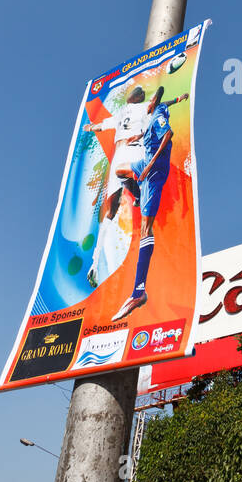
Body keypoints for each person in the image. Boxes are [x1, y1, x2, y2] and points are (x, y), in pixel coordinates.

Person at [110, 90, 189, 321]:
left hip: (153, 172)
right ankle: (136, 195)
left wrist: (148, 167)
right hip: (145, 160)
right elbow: (167, 102)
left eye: (149, 101)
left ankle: (138, 292)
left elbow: (168, 134)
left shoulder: (158, 116)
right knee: (120, 170)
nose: (145, 106)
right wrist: (179, 98)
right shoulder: (160, 108)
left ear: (152, 103)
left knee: (146, 228)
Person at [84, 86, 151, 288]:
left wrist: (173, 99)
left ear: (139, 97)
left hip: (134, 149)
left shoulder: (143, 107)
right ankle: (94, 264)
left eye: (136, 92)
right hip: (119, 153)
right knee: (110, 210)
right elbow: (105, 124)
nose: (132, 94)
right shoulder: (122, 112)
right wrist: (91, 127)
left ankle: (139, 193)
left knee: (131, 175)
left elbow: (159, 104)